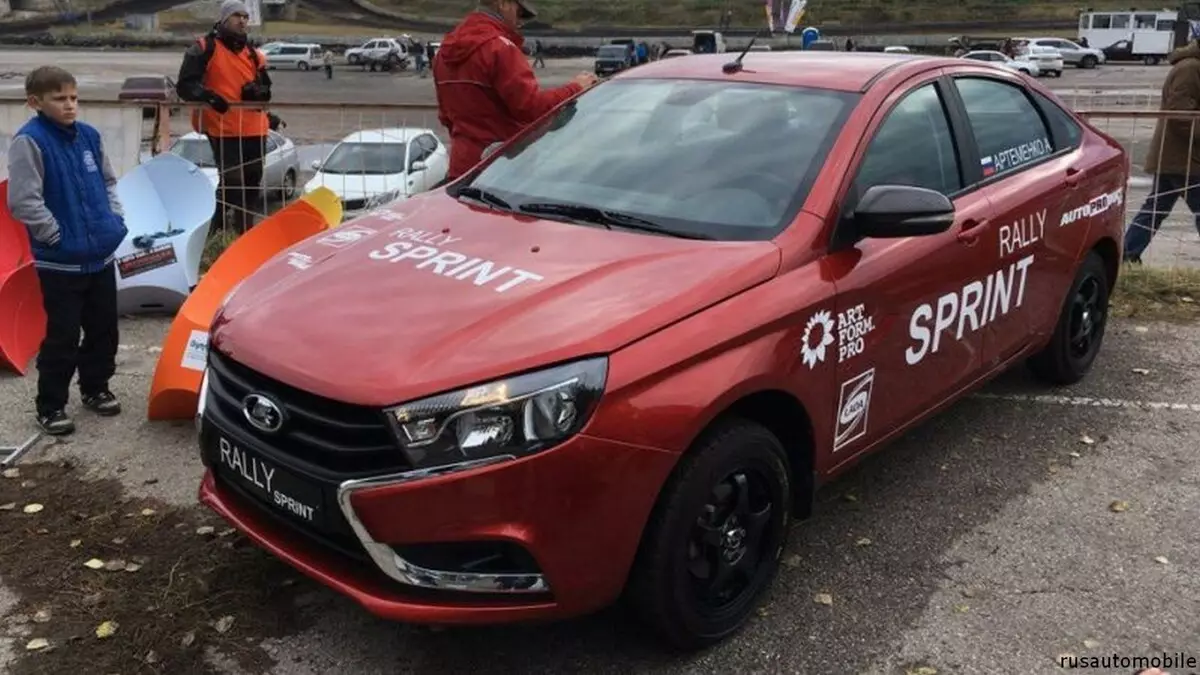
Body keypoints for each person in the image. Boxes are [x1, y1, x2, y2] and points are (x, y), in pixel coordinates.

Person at [6, 66, 128, 435]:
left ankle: (95, 388)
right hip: (61, 263)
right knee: (63, 335)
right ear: (35, 102)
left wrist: (114, 221)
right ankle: (50, 406)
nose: (70, 105)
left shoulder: (89, 136)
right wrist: (56, 236)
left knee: (104, 329)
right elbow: (23, 201)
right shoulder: (29, 141)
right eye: (59, 99)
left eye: (73, 97)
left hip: (101, 256)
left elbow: (108, 181)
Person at [432, 0, 598, 183]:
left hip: (461, 169)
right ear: (504, 4)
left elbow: (445, 117)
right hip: (500, 172)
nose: (520, 22)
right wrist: (575, 88)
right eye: (520, 13)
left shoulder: (443, 54)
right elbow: (532, 108)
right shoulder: (500, 48)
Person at [175, 0, 274, 234]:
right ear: (224, 18)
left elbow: (267, 89)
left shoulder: (253, 53)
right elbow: (185, 86)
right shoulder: (204, 48)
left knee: (251, 186)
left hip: (254, 128)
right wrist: (209, 97)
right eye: (237, 15)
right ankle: (217, 233)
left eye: (245, 16)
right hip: (223, 128)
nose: (242, 20)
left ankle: (242, 233)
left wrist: (258, 93)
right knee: (232, 185)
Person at [1123, 38, 1200, 263]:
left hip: (1177, 157)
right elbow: (1181, 115)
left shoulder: (1191, 66)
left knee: (1154, 209)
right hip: (1185, 159)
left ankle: (1127, 254)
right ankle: (1127, 254)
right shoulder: (1190, 68)